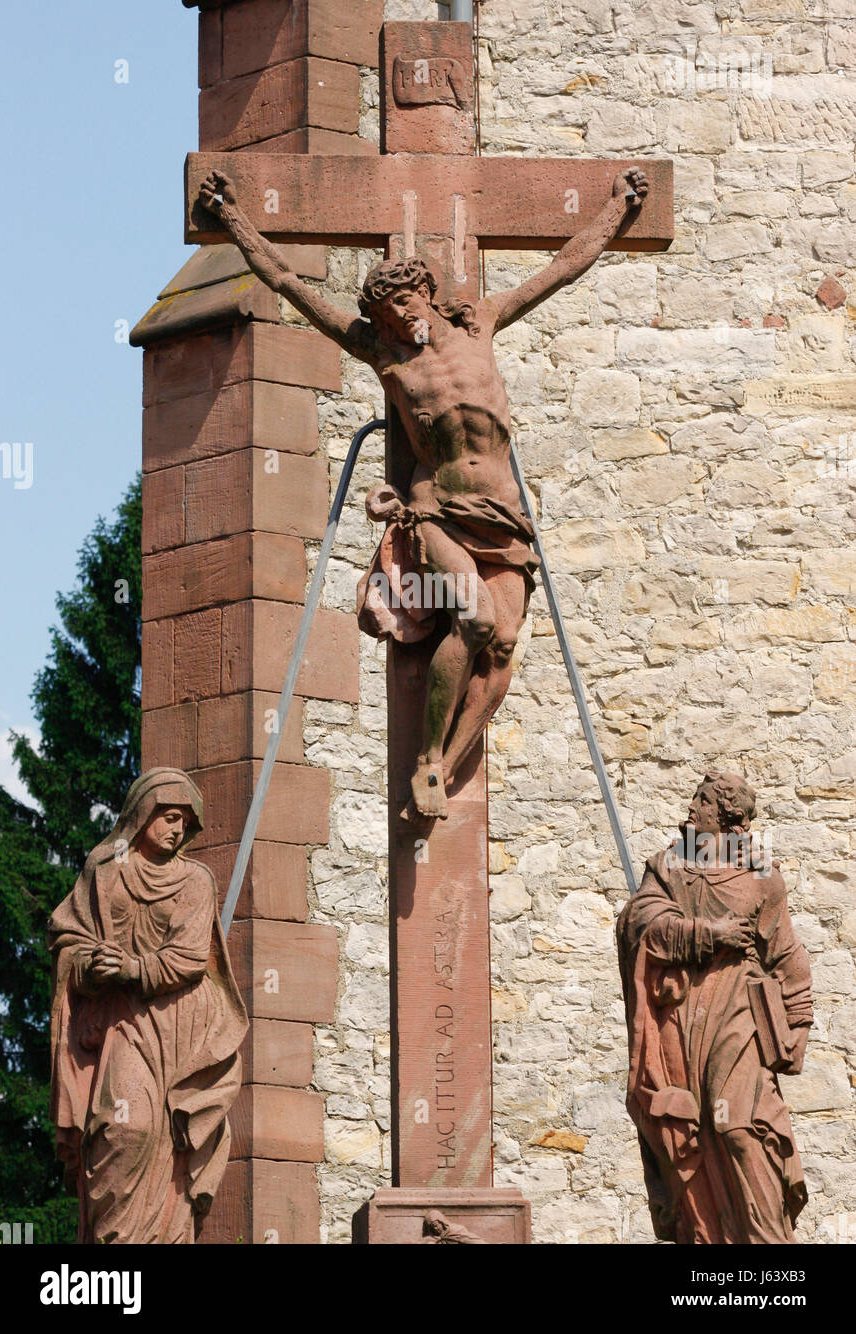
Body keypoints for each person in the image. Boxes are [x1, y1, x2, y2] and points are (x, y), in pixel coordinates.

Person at [199, 165, 648, 820]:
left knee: (502, 646)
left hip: (502, 511)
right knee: (476, 619)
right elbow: (288, 283)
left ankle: (446, 763)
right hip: (435, 507)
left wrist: (615, 211)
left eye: (405, 304)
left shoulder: (480, 324)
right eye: (386, 313)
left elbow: (562, 268)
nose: (399, 317)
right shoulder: (384, 356)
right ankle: (426, 757)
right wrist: (234, 218)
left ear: (428, 294)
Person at [48, 769, 248, 1244]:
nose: (178, 830)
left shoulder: (195, 880)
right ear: (143, 812)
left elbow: (191, 957)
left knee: (170, 1143)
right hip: (121, 1021)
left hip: (180, 1026)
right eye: (170, 817)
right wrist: (89, 966)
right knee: (123, 1127)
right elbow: (68, 938)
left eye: (186, 823)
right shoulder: (105, 869)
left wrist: (131, 968)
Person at [617, 772, 813, 1244]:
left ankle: (769, 1241)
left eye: (703, 801)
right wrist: (707, 934)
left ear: (728, 817)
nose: (692, 807)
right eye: (694, 798)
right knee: (693, 1132)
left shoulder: (761, 877)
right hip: (680, 1018)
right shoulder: (669, 867)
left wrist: (798, 1024)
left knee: (738, 1126)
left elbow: (786, 953)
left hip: (738, 1010)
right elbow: (639, 924)